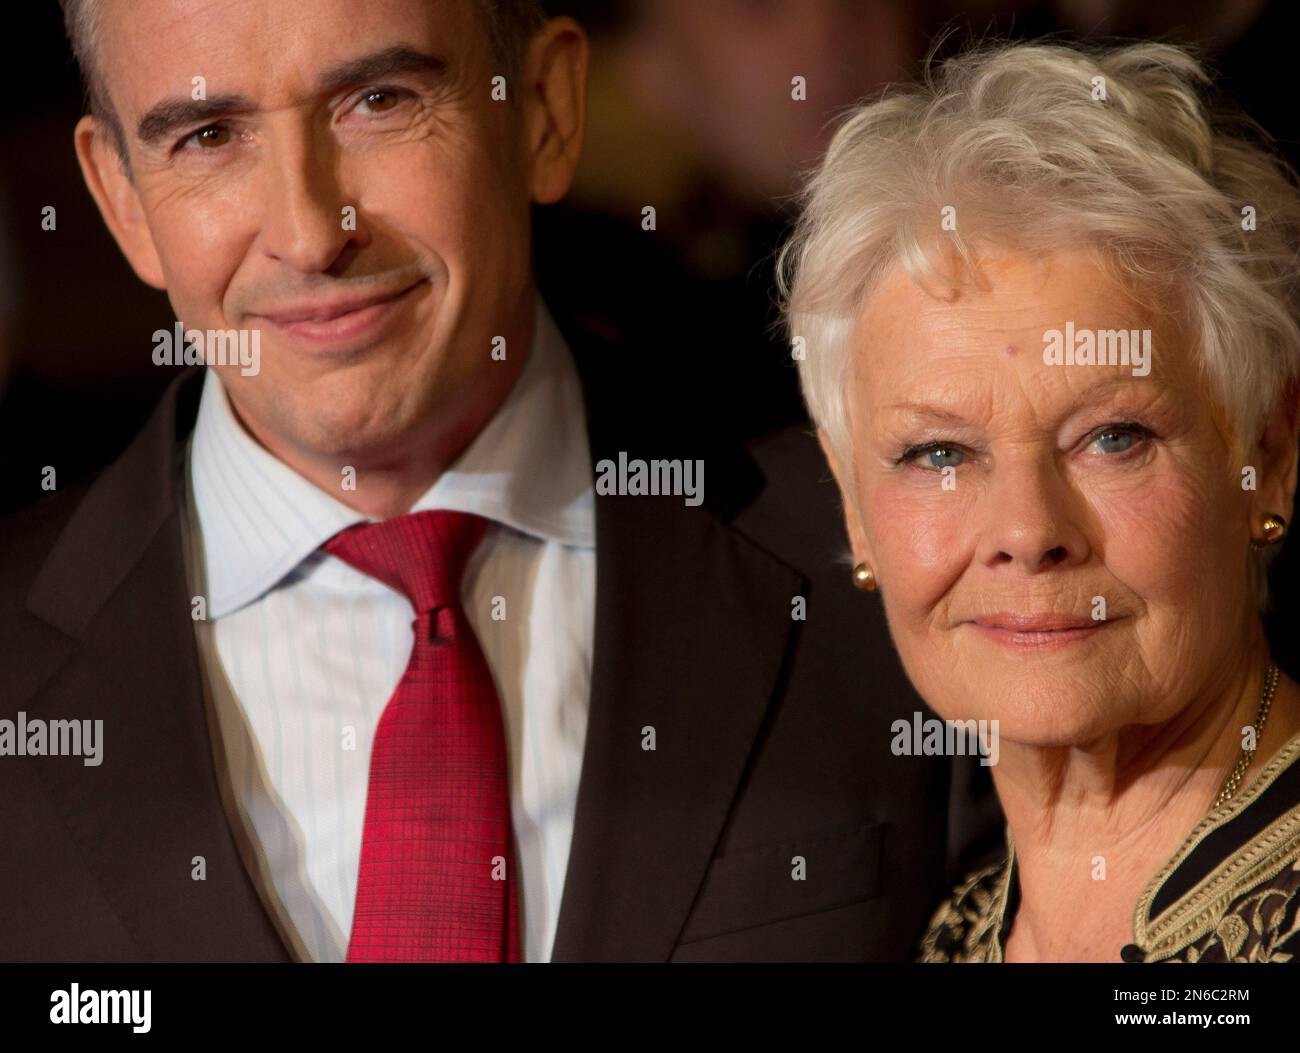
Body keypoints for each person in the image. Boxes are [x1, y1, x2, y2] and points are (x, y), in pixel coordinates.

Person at [0, 0, 998, 962]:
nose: (308, 232)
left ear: (544, 108)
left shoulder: (892, 555)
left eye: (378, 101)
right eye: (209, 136)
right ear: (122, 197)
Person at [778, 39, 1300, 963]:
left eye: (1113, 438)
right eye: (939, 452)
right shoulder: (952, 936)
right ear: (853, 501)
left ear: (1268, 448)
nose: (1028, 532)